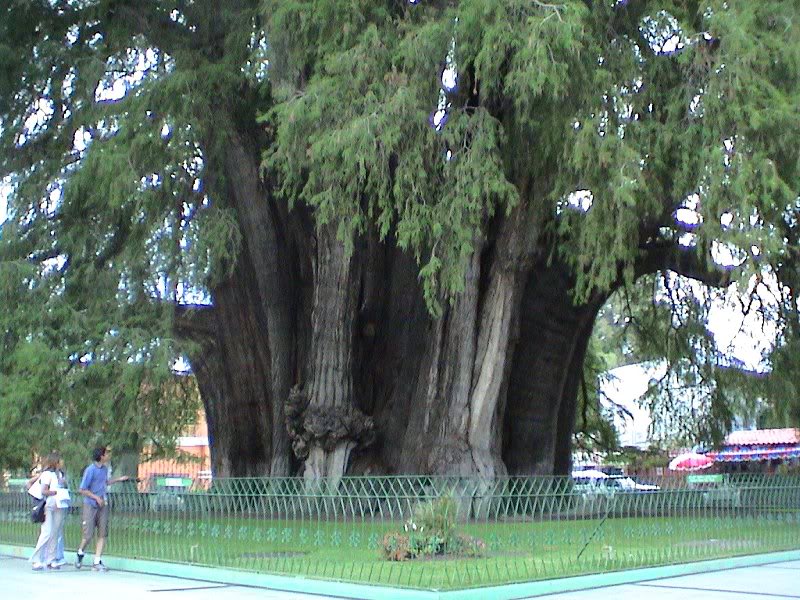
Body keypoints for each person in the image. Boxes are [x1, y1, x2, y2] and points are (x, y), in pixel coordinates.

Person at [75, 445, 129, 571]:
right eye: (106, 454)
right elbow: (82, 489)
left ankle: (97, 560)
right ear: (101, 456)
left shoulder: (104, 469)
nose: (108, 456)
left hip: (103, 504)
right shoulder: (90, 470)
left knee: (103, 533)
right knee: (88, 535)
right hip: (91, 505)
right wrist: (95, 498)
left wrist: (119, 479)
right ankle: (80, 552)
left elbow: (105, 482)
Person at [29, 452, 68, 571]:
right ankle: (36, 559)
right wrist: (55, 492)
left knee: (55, 532)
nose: (62, 462)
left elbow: (64, 486)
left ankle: (51, 558)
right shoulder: (47, 474)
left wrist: (63, 485)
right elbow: (44, 491)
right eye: (60, 460)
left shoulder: (60, 474)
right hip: (49, 505)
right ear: (55, 462)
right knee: (46, 531)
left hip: (59, 504)